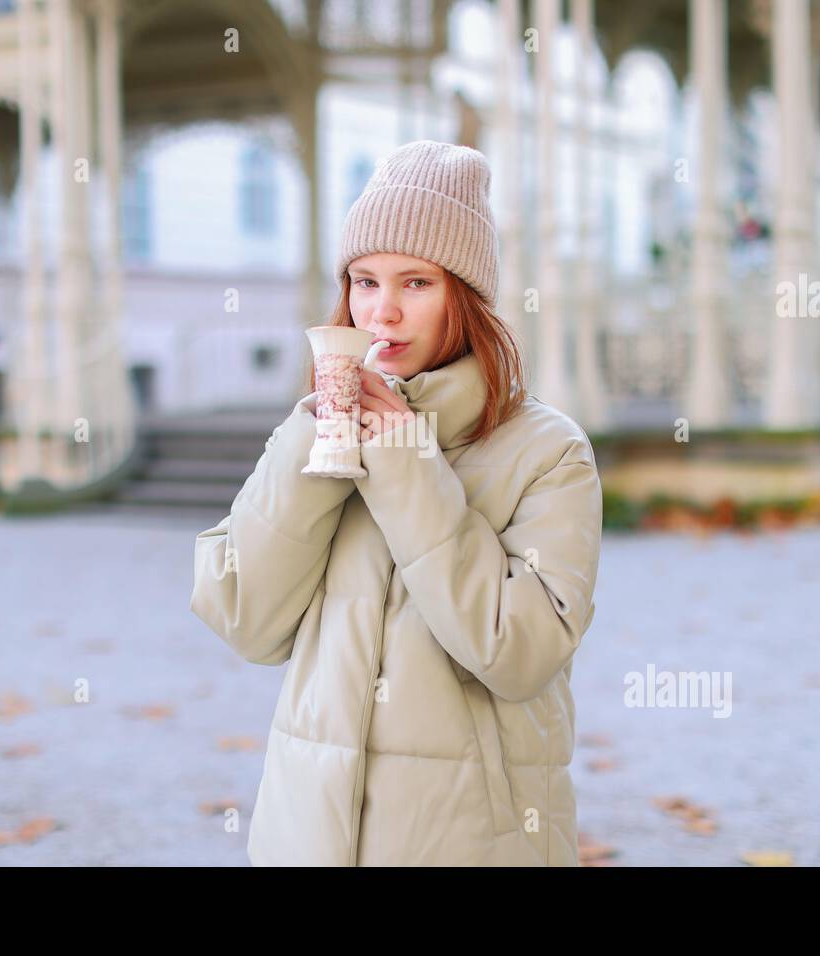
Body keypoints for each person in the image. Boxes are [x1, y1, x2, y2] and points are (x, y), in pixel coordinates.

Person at [190, 140, 604, 865]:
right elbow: (245, 622)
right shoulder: (315, 434)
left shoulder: (549, 451)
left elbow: (519, 653)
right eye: (363, 280)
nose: (381, 312)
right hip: (310, 839)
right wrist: (309, 452)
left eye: (416, 283)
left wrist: (409, 469)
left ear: (466, 297)